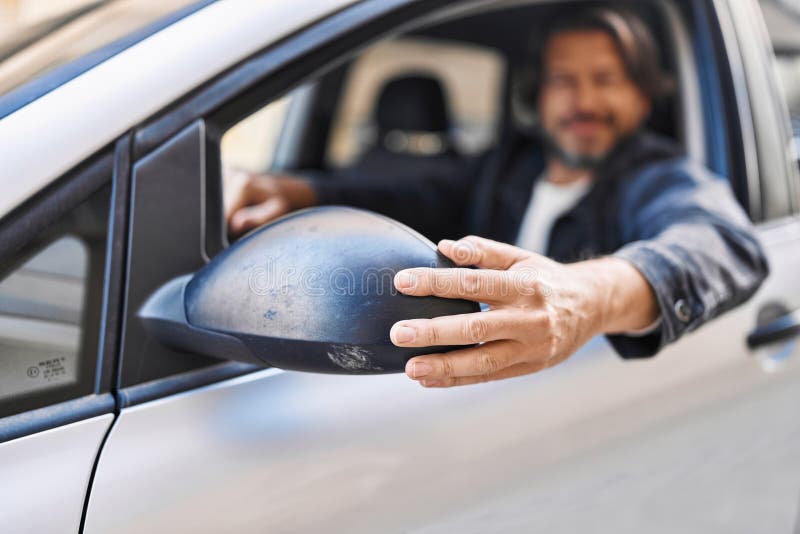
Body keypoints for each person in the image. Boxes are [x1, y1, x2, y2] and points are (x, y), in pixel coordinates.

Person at [225, 7, 769, 388]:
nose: (584, 100)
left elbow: (724, 243)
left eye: (606, 79)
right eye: (565, 80)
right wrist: (299, 190)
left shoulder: (656, 175)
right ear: (540, 93)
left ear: (643, 94)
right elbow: (421, 193)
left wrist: (586, 298)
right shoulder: (513, 161)